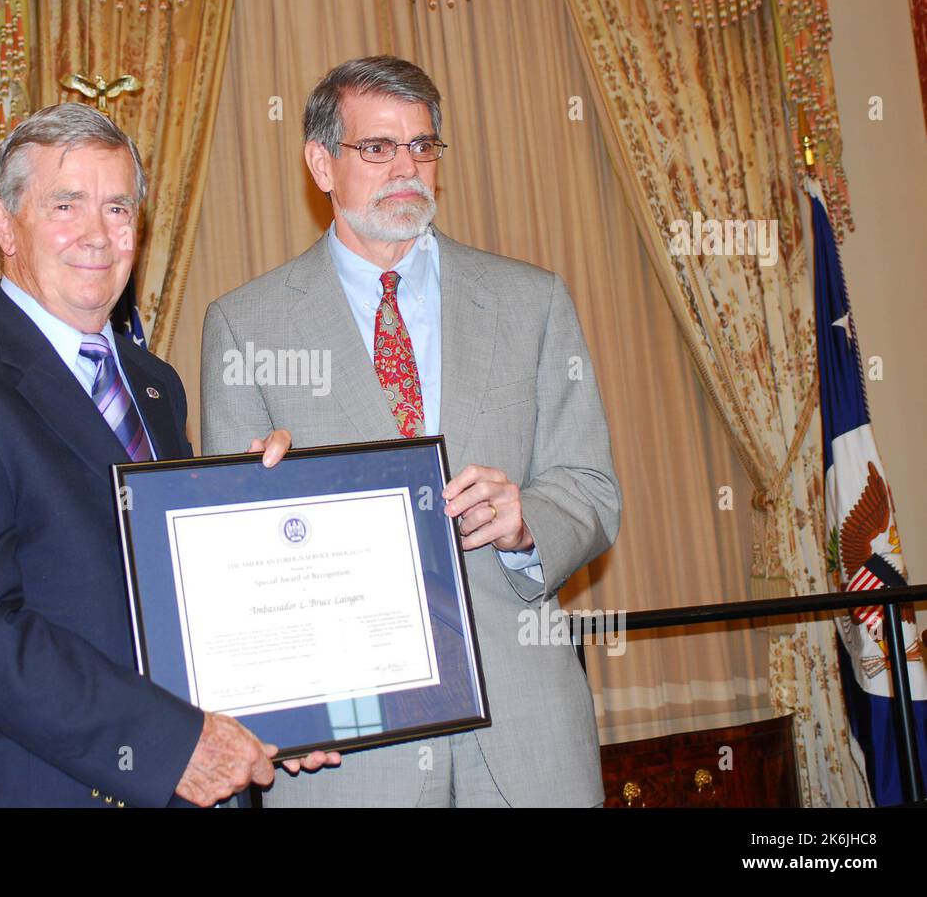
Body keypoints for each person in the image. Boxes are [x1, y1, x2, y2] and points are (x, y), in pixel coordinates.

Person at [0, 102, 336, 807]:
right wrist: (174, 745)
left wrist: (250, 511)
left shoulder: (155, 385)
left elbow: (168, 593)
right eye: (66, 205)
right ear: (3, 224)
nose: (97, 234)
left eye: (118, 208)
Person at [200, 56, 621, 807]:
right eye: (378, 148)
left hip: (524, 736)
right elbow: (234, 561)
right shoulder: (245, 325)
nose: (407, 168)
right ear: (320, 163)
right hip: (347, 757)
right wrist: (273, 511)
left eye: (423, 146)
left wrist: (529, 525)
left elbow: (590, 489)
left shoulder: (532, 302)